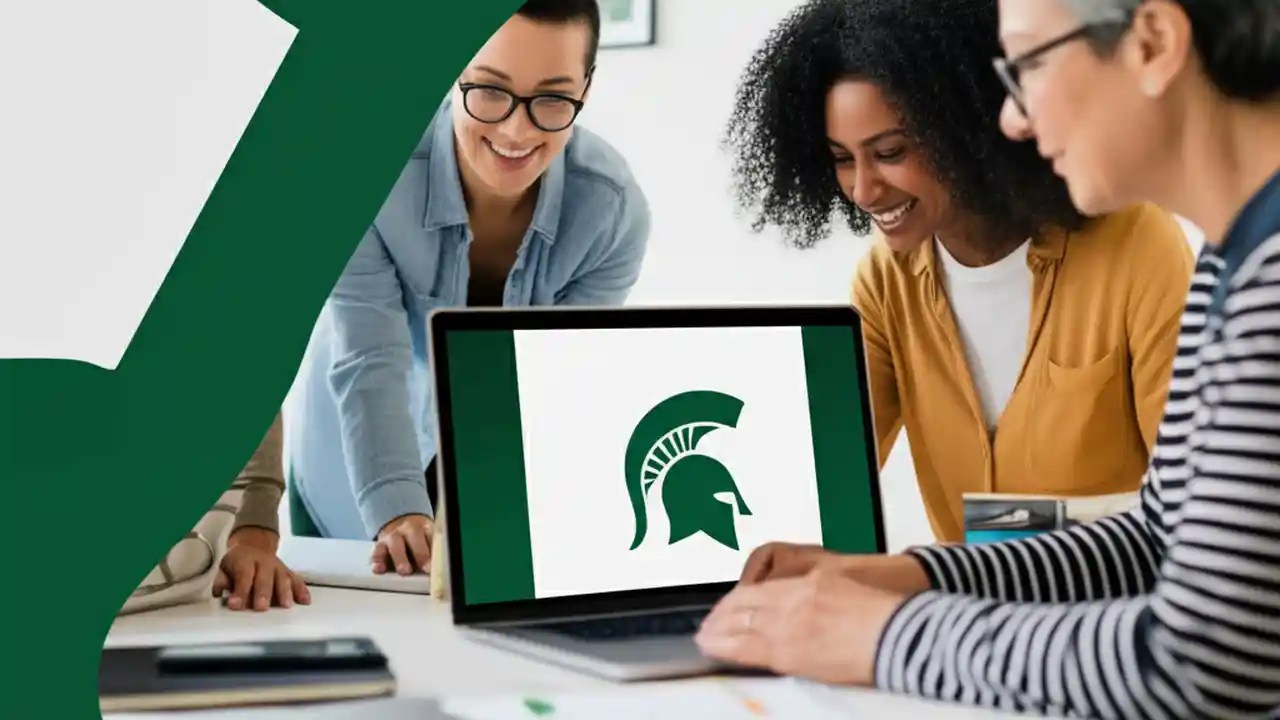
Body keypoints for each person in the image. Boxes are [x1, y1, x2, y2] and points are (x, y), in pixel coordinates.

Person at [695, 0, 1280, 717]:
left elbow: (1201, 665)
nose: (1012, 119)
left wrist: (881, 634)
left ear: (1154, 42)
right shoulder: (1235, 263)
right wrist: (904, 578)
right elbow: (1157, 537)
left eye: (1030, 64)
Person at [722, 0, 1192, 543]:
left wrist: (957, 562)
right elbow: (823, 478)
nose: (863, 190)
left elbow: (1194, 506)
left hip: (1121, 614)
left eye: (890, 151)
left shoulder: (1136, 243)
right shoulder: (883, 281)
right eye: (842, 158)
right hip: (971, 616)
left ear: (962, 129)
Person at [282, 0, 651, 577]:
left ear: (587, 85)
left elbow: (556, 381)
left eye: (552, 98)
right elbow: (368, 357)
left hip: (494, 466)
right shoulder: (367, 172)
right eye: (489, 89)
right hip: (349, 459)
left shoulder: (611, 212)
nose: (515, 128)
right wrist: (398, 509)